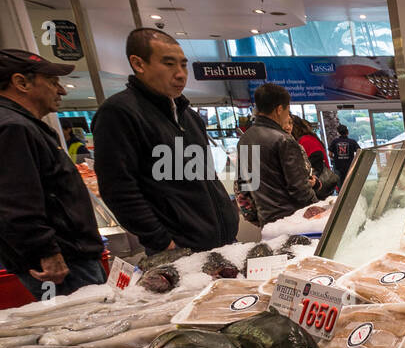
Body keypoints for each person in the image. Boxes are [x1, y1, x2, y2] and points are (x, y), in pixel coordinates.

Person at [92, 29, 239, 253]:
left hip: (221, 243)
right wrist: (162, 242)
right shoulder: (119, 113)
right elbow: (119, 189)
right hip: (180, 251)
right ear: (138, 64)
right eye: (169, 64)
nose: (180, 74)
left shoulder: (189, 116)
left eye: (183, 65)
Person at [0, 48, 106, 298]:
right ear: (21, 82)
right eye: (52, 82)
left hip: (70, 258)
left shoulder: (23, 125)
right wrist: (46, 252)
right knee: (85, 329)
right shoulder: (13, 127)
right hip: (63, 265)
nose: (62, 90)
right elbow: (15, 202)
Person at [237, 83, 319, 225]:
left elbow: (245, 185)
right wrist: (318, 208)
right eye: (288, 109)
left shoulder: (245, 139)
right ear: (279, 109)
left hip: (267, 222)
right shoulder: (284, 140)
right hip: (293, 220)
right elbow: (299, 189)